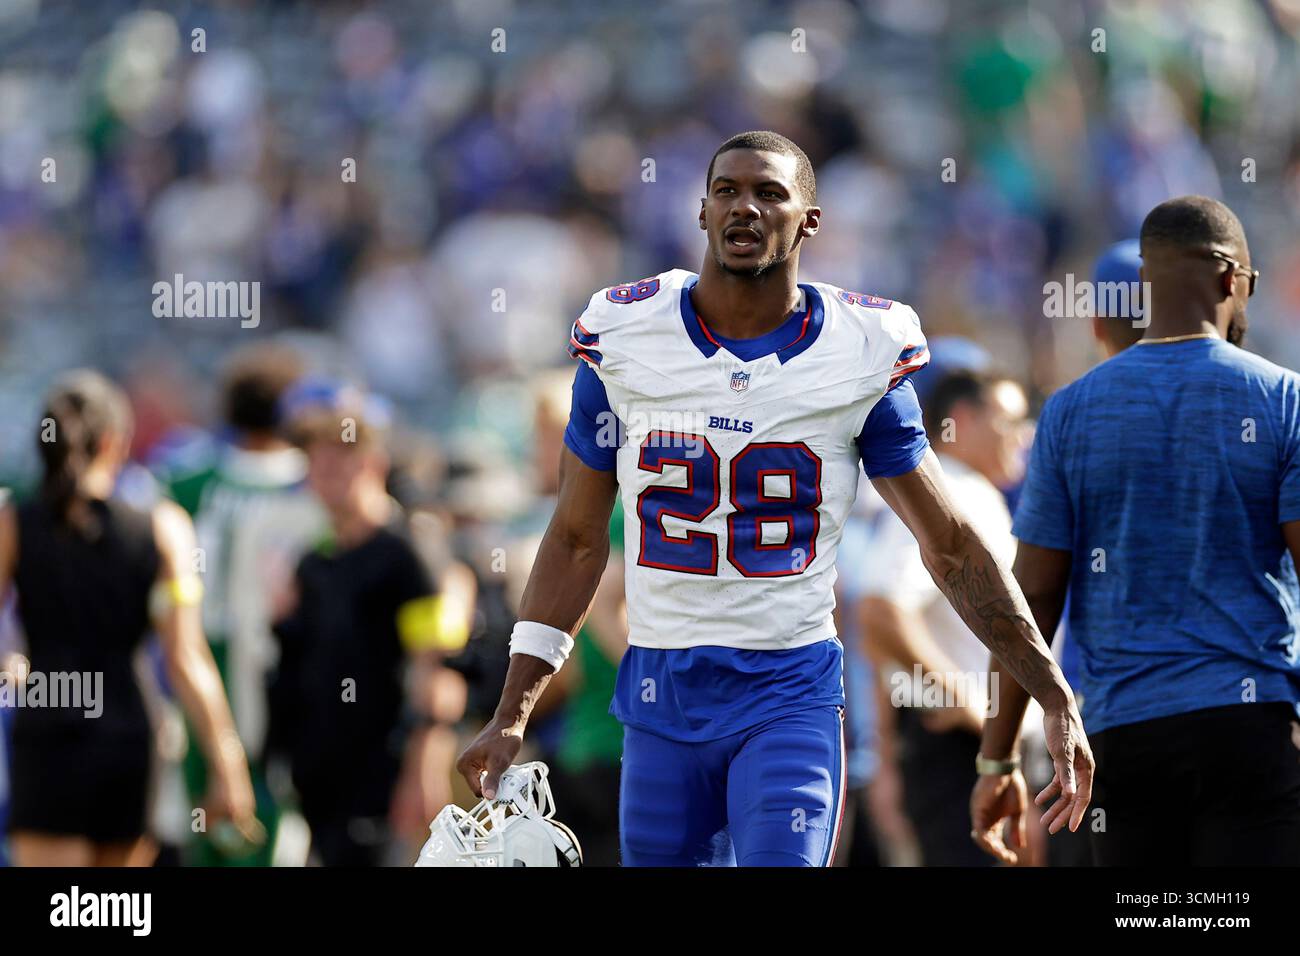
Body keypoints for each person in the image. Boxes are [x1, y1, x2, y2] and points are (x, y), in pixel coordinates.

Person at [457, 130, 1092, 866]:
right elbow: (575, 538)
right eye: (727, 190)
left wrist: (1051, 692)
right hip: (663, 696)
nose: (745, 207)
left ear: (809, 221)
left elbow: (948, 544)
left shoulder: (860, 347)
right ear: (701, 211)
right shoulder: (627, 335)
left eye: (769, 193)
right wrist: (512, 713)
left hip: (789, 693)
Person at [971, 196, 1300, 866]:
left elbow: (1032, 597)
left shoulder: (1068, 413)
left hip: (1122, 735)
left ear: (1145, 282)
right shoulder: (1283, 399)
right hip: (1252, 727)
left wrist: (997, 757)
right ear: (1231, 279)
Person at [0, 370, 258, 866]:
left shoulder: (14, 523)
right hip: (130, 734)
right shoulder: (164, 528)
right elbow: (187, 659)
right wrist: (228, 762)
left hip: (47, 731)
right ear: (114, 442)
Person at [268, 384, 468, 866]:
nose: (326, 471)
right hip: (322, 781)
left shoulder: (408, 554)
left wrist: (423, 768)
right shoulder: (313, 563)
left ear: (373, 462)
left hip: (384, 778)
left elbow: (439, 669)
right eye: (315, 459)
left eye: (341, 457)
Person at [859, 369, 1034, 866]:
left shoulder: (970, 491)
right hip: (962, 753)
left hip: (971, 749)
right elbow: (879, 612)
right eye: (1009, 420)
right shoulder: (952, 492)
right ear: (963, 420)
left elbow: (885, 637)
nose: (1022, 436)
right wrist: (966, 703)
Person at [166, 344, 326, 866]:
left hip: (197, 653)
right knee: (273, 807)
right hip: (282, 661)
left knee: (207, 813)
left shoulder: (187, 482)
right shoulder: (313, 485)